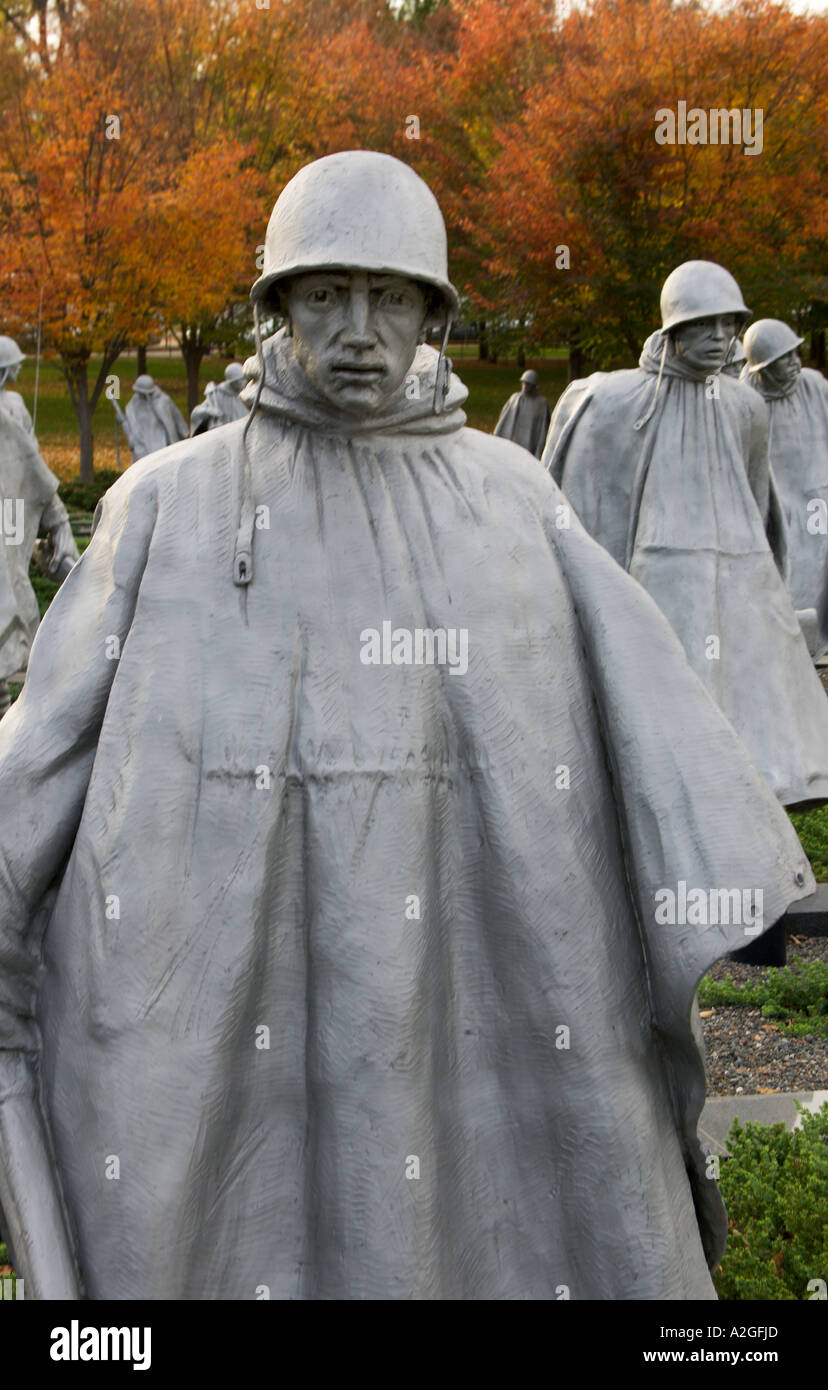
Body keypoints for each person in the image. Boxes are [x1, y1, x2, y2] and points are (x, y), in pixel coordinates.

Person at [0, 154, 819, 1301]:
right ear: (277, 305)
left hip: (479, 1021)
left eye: (391, 298)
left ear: (434, 312)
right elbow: (36, 766)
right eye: (325, 294)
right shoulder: (166, 509)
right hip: (220, 1028)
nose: (358, 331)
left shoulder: (513, 501)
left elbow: (652, 747)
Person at [542, 261, 828, 808]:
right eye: (704, 326)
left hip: (740, 563)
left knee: (754, 693)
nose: (719, 339)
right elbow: (589, 502)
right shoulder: (624, 400)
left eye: (727, 326)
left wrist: (766, 571)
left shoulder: (746, 405)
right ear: (674, 330)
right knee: (671, 686)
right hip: (664, 563)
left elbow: (756, 493)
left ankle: (766, 784)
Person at [0, 338, 78, 718]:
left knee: (13, 583)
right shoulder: (12, 412)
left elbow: (34, 474)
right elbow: (38, 475)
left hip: (10, 513)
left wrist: (58, 522)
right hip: (9, 514)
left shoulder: (12, 410)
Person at [741, 319, 828, 622]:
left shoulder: (814, 385)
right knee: (788, 566)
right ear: (762, 368)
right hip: (778, 501)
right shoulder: (743, 400)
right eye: (784, 358)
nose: (795, 363)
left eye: (795, 353)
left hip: (819, 493)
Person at [113, 373, 188, 462]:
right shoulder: (134, 403)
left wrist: (182, 433)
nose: (139, 394)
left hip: (160, 446)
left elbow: (177, 419)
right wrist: (123, 422)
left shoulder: (163, 401)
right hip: (141, 448)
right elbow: (132, 424)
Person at [492, 368, 551, 458]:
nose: (524, 386)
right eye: (523, 383)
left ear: (534, 385)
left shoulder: (542, 403)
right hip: (513, 442)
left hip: (530, 444)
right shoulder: (515, 398)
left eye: (528, 384)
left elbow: (543, 428)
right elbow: (504, 421)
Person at [0, 336, 34, 434]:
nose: (19, 366)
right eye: (15, 363)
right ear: (4, 367)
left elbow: (30, 440)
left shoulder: (17, 400)